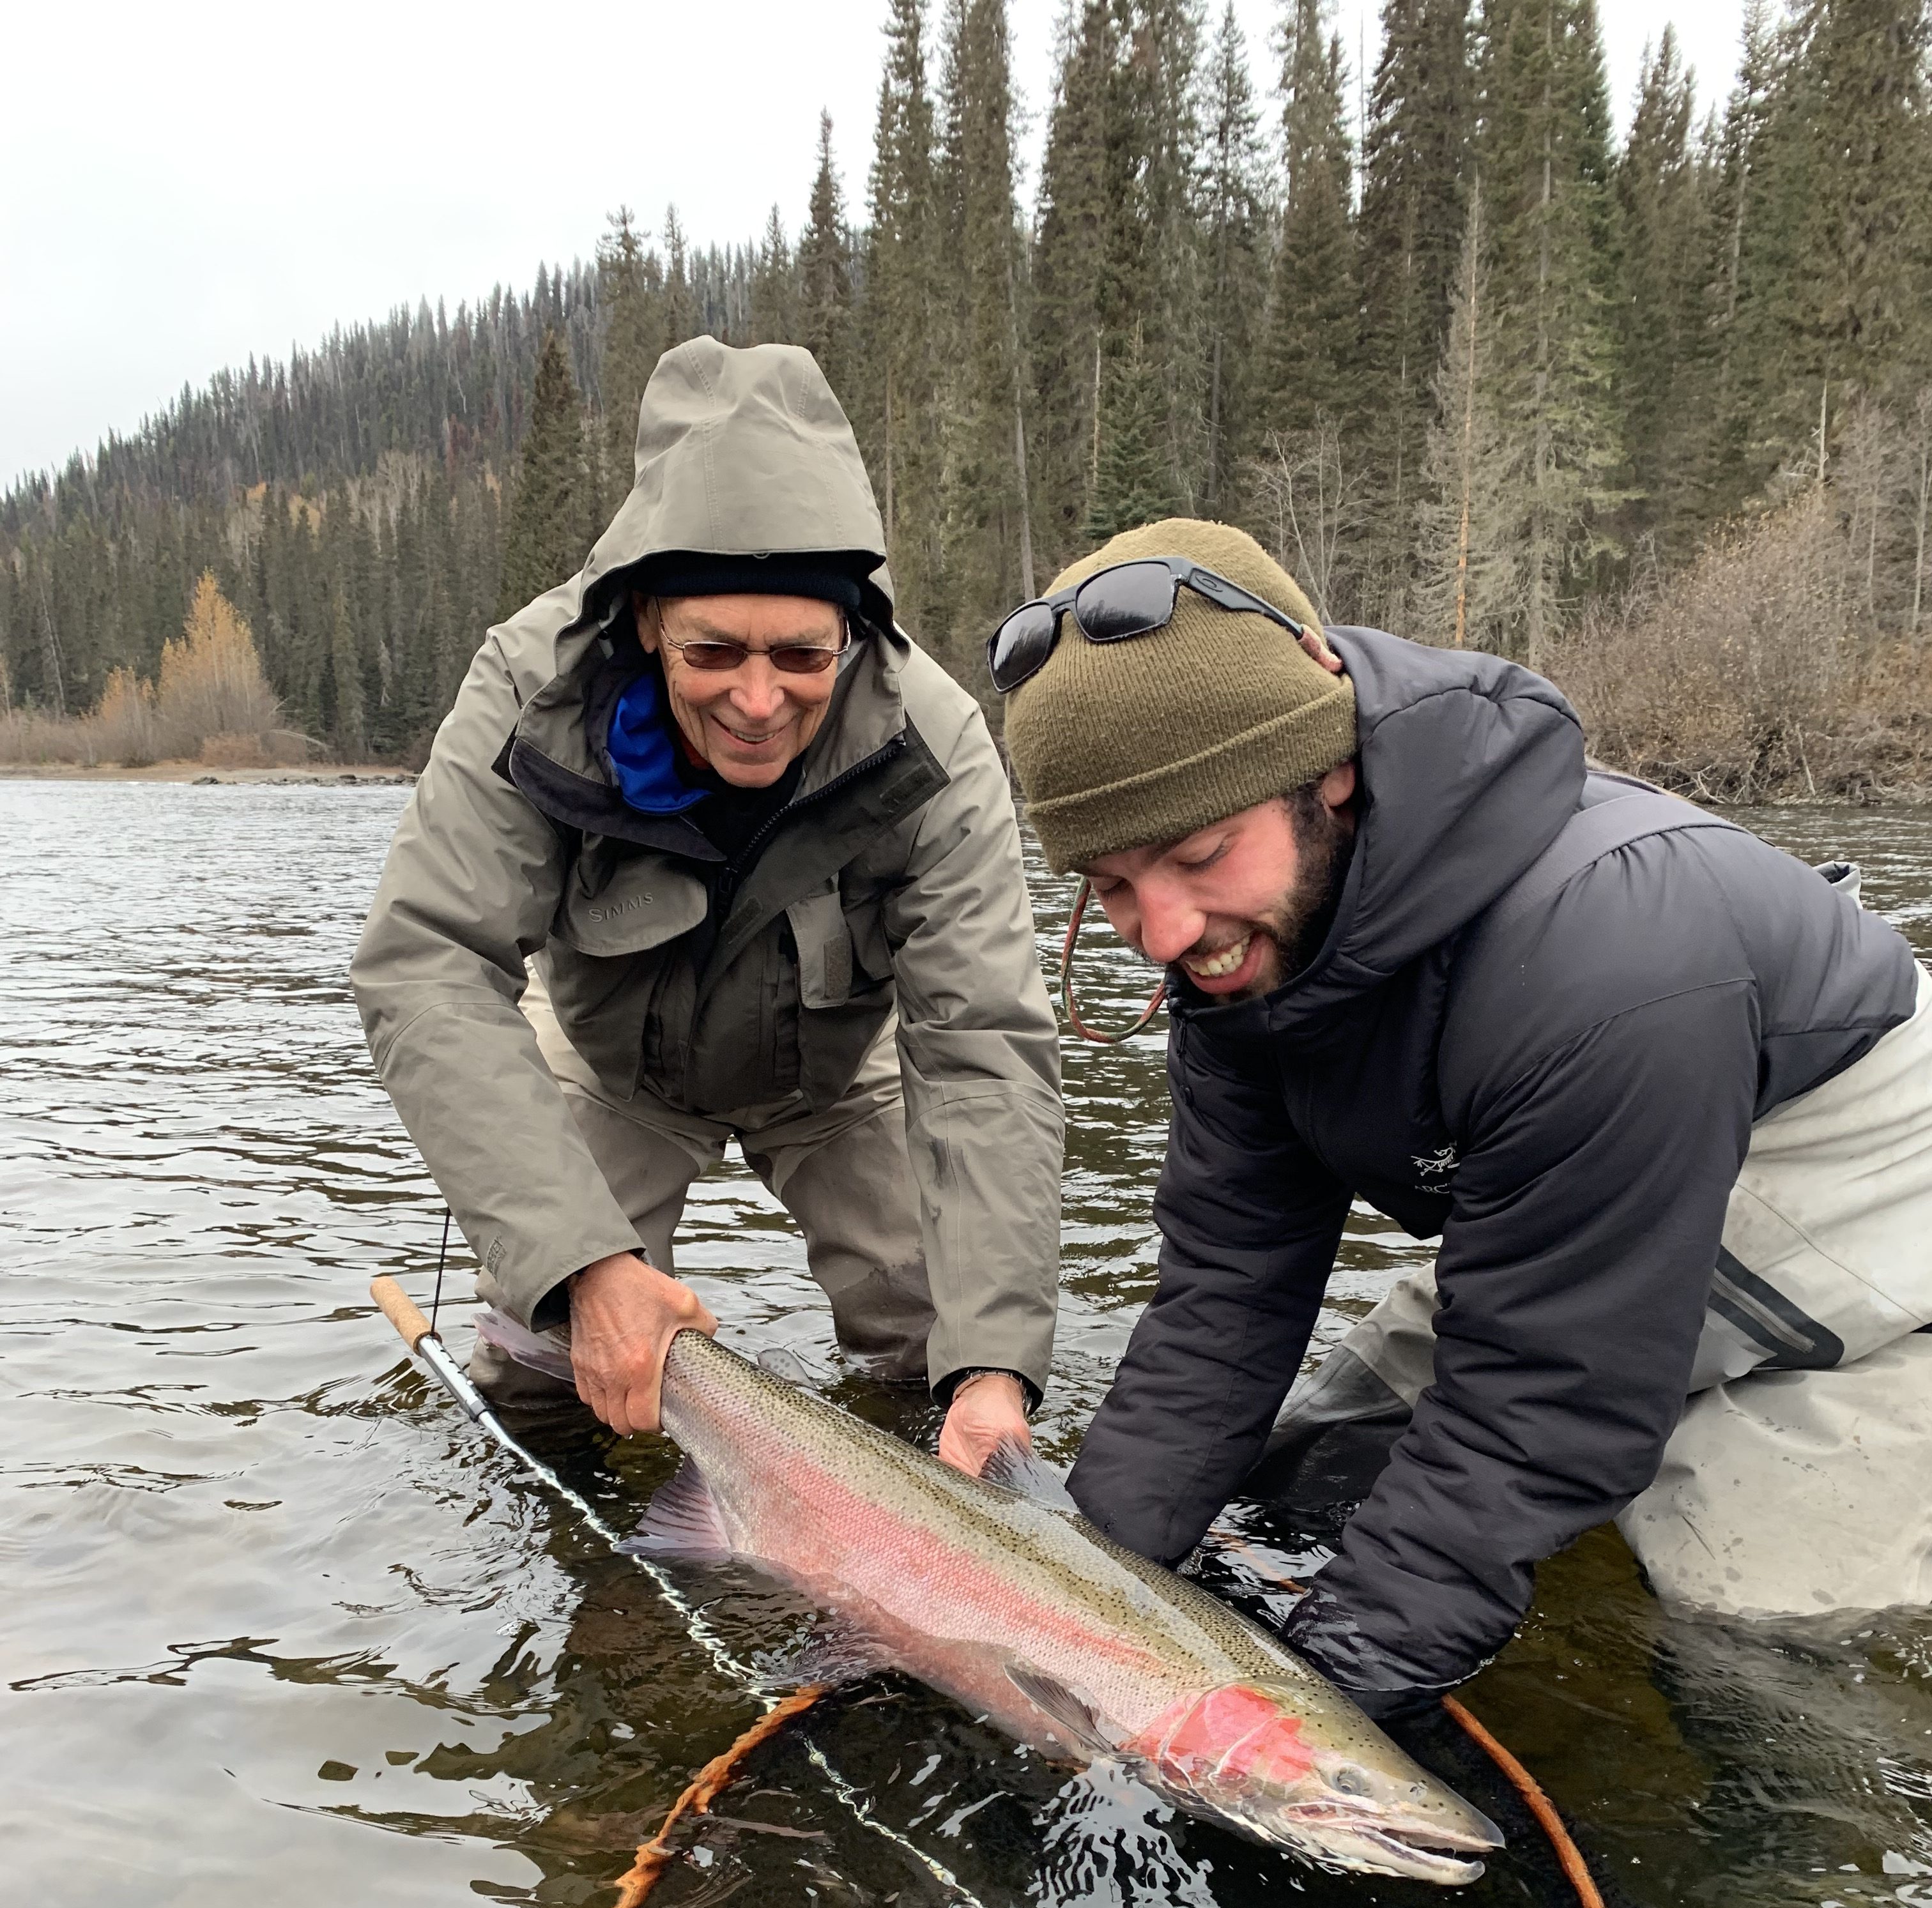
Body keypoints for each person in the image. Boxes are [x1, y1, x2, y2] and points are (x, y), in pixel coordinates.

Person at [996, 515, 1932, 1717]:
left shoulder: (1613, 950)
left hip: (1869, 1251)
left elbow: (1541, 1401)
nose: (1168, 935)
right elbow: (1228, 1295)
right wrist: (1069, 1591)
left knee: (1746, 1630)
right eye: (1114, 888)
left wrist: (1309, 1722)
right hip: (1579, 1230)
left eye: (1200, 856)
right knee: (1296, 1487)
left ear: (1325, 770)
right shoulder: (1243, 967)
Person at [353, 339, 1062, 1473]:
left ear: (855, 633)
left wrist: (995, 1366)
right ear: (645, 621)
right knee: (545, 1360)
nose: (758, 697)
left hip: (835, 1075)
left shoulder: (931, 742)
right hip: (611, 1068)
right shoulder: (534, 693)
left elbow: (980, 1046)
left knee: (939, 1346)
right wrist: (583, 1266)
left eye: (801, 655)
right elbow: (427, 963)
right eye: (714, 649)